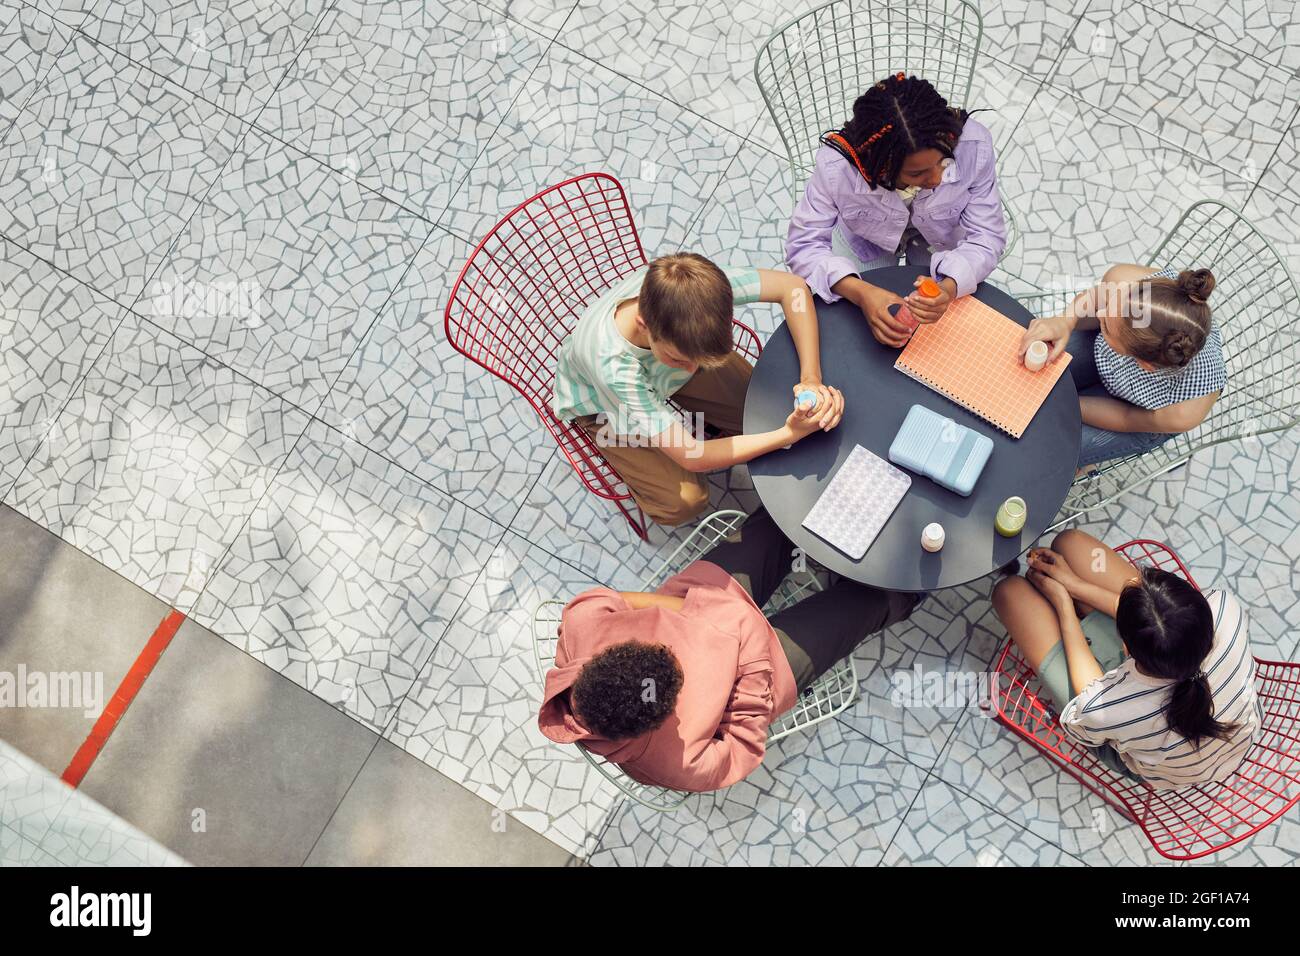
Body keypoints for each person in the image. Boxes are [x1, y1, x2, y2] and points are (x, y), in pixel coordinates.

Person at [537, 508, 919, 792]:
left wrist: (698, 612)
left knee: (780, 523)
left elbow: (613, 598)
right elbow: (742, 749)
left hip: (701, 601)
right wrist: (751, 667)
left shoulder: (581, 628)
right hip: (756, 672)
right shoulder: (676, 766)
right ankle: (911, 579)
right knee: (869, 603)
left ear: (605, 657)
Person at [551, 253, 844, 527]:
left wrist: (810, 378)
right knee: (684, 502)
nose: (692, 370)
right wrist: (787, 435)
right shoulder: (613, 369)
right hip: (604, 405)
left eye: (697, 360)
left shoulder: (694, 289)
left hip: (657, 374)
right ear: (644, 324)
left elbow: (792, 288)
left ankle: (710, 412)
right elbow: (693, 455)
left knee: (767, 409)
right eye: (679, 358)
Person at [992, 529, 1259, 789]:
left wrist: (1065, 606)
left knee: (1008, 592)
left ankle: (1079, 615)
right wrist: (1075, 585)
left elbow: (1089, 698)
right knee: (1069, 541)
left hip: (1136, 743)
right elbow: (1158, 622)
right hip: (1228, 729)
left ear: (1125, 649)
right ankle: (1084, 609)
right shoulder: (1224, 609)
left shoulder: (1107, 709)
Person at [786, 72, 1007, 348]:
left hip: (941, 241)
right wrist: (860, 292)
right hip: (865, 240)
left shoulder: (974, 146)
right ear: (883, 167)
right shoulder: (837, 167)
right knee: (851, 327)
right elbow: (803, 247)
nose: (937, 180)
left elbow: (987, 236)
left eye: (943, 162)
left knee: (942, 333)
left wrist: (949, 288)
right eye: (917, 174)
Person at [1019, 265, 1223, 468]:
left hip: (1137, 414)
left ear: (1144, 365)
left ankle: (1076, 465)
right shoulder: (1127, 283)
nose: (1100, 315)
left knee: (1047, 449)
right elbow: (1094, 301)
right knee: (1027, 373)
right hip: (1106, 354)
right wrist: (1065, 321)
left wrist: (1064, 402)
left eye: (1106, 326)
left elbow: (1127, 417)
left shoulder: (1184, 411)